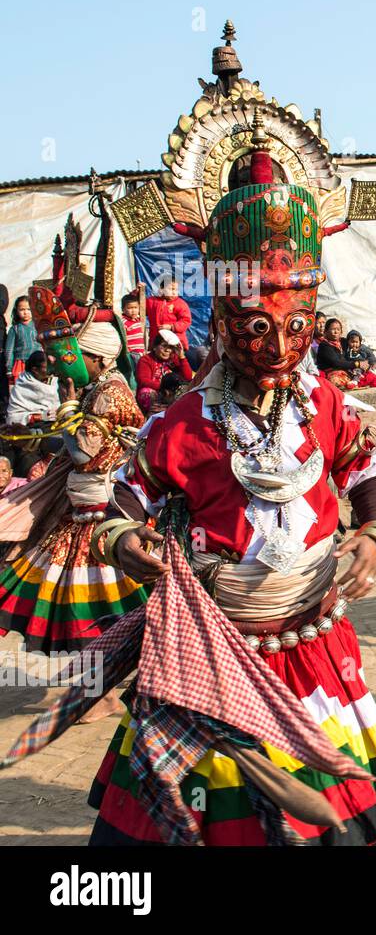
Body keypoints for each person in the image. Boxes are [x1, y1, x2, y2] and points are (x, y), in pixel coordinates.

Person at [73, 131, 376, 846]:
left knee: (327, 817)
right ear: (225, 321)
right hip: (221, 649)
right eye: (254, 327)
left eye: (294, 328)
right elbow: (122, 502)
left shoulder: (326, 404)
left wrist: (374, 538)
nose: (274, 347)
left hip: (315, 639)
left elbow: (367, 474)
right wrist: (129, 542)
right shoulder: (182, 422)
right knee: (216, 818)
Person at [0, 279, 146, 714]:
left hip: (100, 518)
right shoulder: (101, 390)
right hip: (81, 512)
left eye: (78, 357)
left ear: (97, 358)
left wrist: (66, 410)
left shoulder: (108, 394)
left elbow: (85, 451)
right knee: (81, 612)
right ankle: (97, 692)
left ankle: (100, 693)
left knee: (92, 611)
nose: (69, 365)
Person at [135, 330, 193, 412]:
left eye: (171, 347)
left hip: (171, 394)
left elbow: (188, 377)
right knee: (146, 393)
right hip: (156, 393)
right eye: (164, 346)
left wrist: (182, 357)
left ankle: (172, 411)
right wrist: (163, 388)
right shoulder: (146, 360)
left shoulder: (174, 359)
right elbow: (143, 381)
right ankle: (156, 414)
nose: (168, 350)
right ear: (154, 347)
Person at [6, 351, 59, 426]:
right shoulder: (22, 385)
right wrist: (37, 417)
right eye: (47, 368)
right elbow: (12, 418)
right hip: (33, 428)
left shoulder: (55, 380)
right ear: (35, 370)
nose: (51, 370)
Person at [145, 278, 192, 351]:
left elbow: (186, 321)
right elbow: (138, 307)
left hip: (175, 342)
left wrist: (171, 327)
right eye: (171, 289)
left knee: (175, 361)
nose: (174, 292)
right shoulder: (152, 302)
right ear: (161, 290)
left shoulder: (180, 304)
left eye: (176, 290)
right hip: (156, 342)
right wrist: (137, 293)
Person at [5, 296, 38, 386]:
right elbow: (9, 350)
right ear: (16, 311)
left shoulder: (39, 326)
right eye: (22, 309)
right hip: (21, 365)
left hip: (38, 364)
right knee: (23, 392)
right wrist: (9, 368)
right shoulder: (14, 329)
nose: (26, 312)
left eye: (29, 309)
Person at [315, 317, 350, 386]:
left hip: (346, 370)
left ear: (341, 331)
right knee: (336, 381)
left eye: (338, 329)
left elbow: (359, 346)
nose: (336, 332)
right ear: (326, 331)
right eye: (333, 329)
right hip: (331, 372)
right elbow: (336, 363)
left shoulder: (343, 342)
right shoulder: (324, 345)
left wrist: (370, 359)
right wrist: (356, 363)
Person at [121, 290, 147, 359]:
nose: (133, 311)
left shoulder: (138, 320)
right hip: (132, 354)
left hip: (141, 353)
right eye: (130, 308)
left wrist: (137, 291)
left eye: (135, 308)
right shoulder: (123, 322)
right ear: (123, 309)